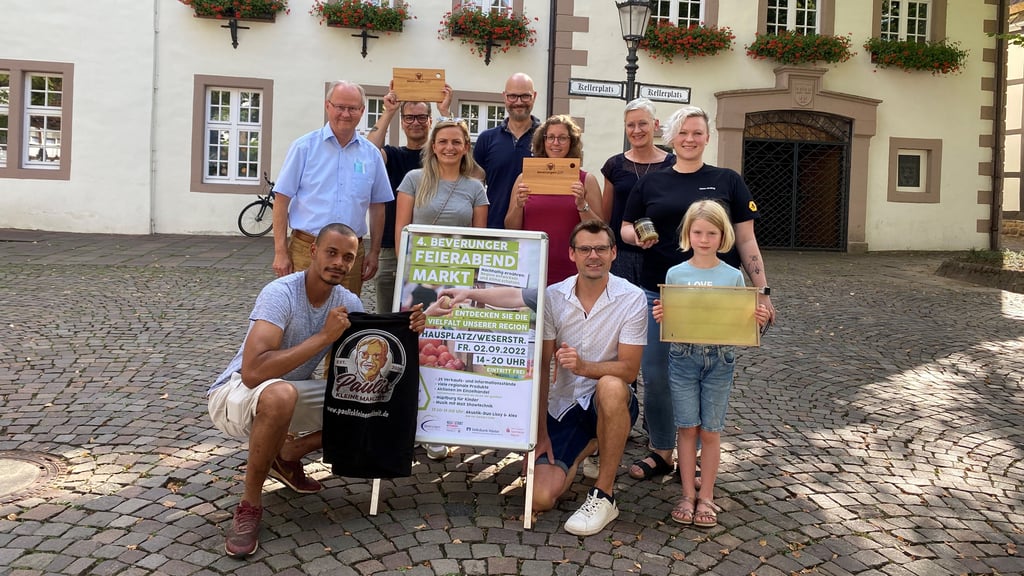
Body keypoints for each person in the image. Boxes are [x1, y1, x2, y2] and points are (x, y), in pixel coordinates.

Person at [207, 223, 426, 559]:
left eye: (348, 257)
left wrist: (410, 325)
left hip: (290, 391)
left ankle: (289, 455)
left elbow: (378, 339)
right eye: (332, 252)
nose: (339, 262)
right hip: (235, 393)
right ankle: (250, 504)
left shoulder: (347, 300)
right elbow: (252, 373)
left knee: (375, 397)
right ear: (313, 252)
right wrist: (323, 338)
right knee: (280, 394)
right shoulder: (280, 293)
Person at [620, 105, 775, 482]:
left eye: (698, 133)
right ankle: (661, 450)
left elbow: (747, 239)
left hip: (716, 296)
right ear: (671, 138)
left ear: (708, 138)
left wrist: (762, 292)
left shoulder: (728, 180)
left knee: (708, 373)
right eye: (683, 133)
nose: (690, 139)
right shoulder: (651, 182)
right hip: (659, 293)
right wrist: (640, 236)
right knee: (656, 376)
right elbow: (624, 228)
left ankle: (702, 453)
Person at [651, 200, 770, 528]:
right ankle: (687, 493)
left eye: (711, 233)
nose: (704, 239)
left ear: (723, 236)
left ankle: (707, 496)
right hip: (683, 357)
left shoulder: (732, 275)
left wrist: (755, 316)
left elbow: (742, 319)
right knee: (687, 427)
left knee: (711, 431)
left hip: (720, 358)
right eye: (698, 232)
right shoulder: (676, 273)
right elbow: (671, 315)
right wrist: (663, 315)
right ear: (688, 234)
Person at [532, 219, 647, 536]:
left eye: (600, 249)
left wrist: (584, 367)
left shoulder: (632, 298)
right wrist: (540, 432)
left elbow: (629, 370)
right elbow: (542, 365)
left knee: (610, 385)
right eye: (585, 249)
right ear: (572, 254)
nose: (593, 256)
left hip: (609, 401)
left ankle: (604, 494)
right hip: (563, 405)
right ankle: (593, 442)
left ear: (613, 253)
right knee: (540, 498)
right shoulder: (553, 296)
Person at [271, 81, 393, 297]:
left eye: (353, 108)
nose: (346, 114)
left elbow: (378, 206)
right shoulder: (304, 147)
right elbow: (281, 200)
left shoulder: (371, 154)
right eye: (340, 107)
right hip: (307, 248)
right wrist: (280, 252)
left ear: (362, 111)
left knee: (346, 316)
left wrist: (374, 252)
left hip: (351, 253)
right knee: (300, 314)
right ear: (328, 106)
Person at [366, 83, 453, 313]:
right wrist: (389, 111)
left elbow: (465, 158)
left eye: (422, 117)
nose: (415, 122)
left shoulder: (442, 158)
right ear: (402, 122)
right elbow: (368, 152)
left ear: (430, 121)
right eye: (409, 118)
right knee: (388, 317)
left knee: (431, 320)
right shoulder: (393, 155)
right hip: (390, 248)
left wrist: (446, 113)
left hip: (433, 249)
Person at [505, 115, 603, 285]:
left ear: (571, 142)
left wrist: (582, 205)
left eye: (562, 138)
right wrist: (519, 206)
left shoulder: (587, 180)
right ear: (543, 141)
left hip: (573, 268)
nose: (555, 143)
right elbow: (511, 228)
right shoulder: (524, 179)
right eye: (550, 137)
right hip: (531, 267)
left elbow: (600, 230)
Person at [600, 98, 675, 286]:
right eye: (630, 125)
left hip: (662, 252)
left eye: (642, 123)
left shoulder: (673, 164)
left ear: (655, 125)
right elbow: (606, 216)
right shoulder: (614, 165)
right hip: (621, 254)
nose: (636, 130)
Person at [394, 118, 488, 246]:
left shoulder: (476, 188)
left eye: (456, 142)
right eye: (442, 142)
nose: (449, 148)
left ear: (465, 147)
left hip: (459, 263)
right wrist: (403, 264)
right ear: (434, 146)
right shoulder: (412, 179)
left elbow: (479, 240)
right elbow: (402, 232)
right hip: (418, 262)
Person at [473, 72, 541, 229]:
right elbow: (474, 187)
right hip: (493, 227)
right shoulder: (487, 139)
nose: (518, 102)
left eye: (525, 96)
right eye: (512, 96)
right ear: (504, 96)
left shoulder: (546, 138)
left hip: (535, 230)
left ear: (534, 96)